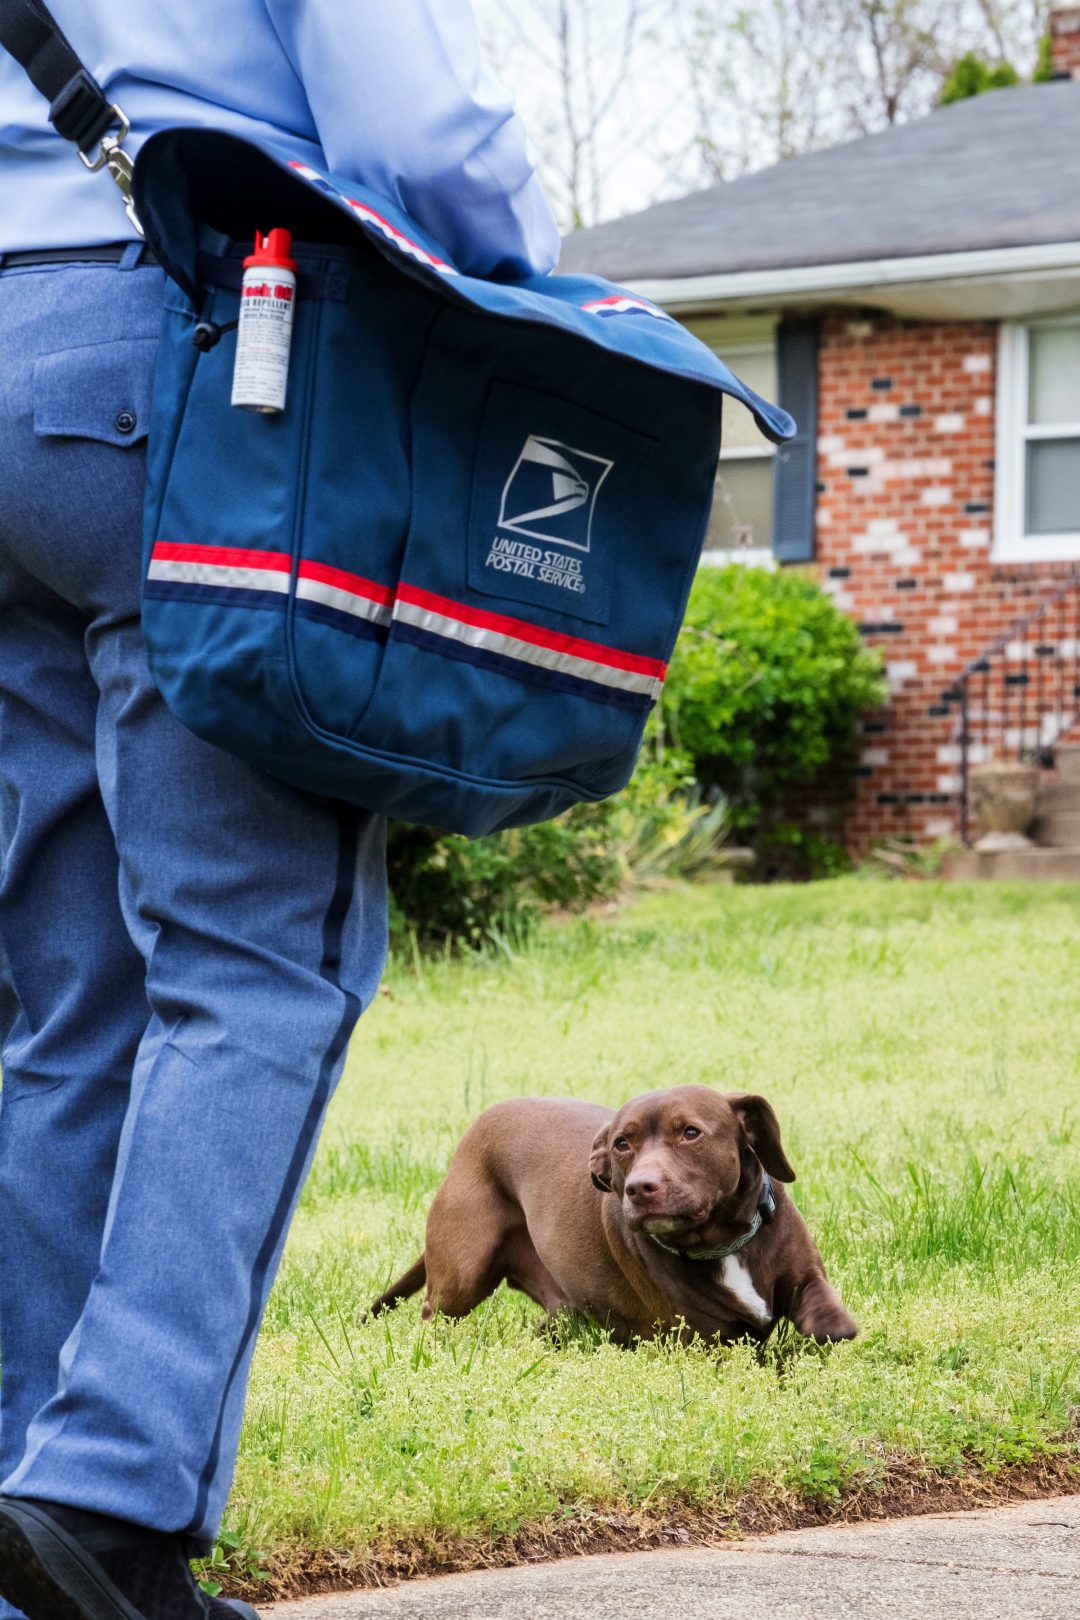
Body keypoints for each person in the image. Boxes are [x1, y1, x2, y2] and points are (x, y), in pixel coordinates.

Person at [0, 5, 558, 1618]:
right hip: (193, 353)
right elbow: (430, 142)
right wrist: (543, 294)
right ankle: (109, 1497)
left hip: (12, 380)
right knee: (256, 963)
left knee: (71, 1000)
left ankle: (32, 1552)